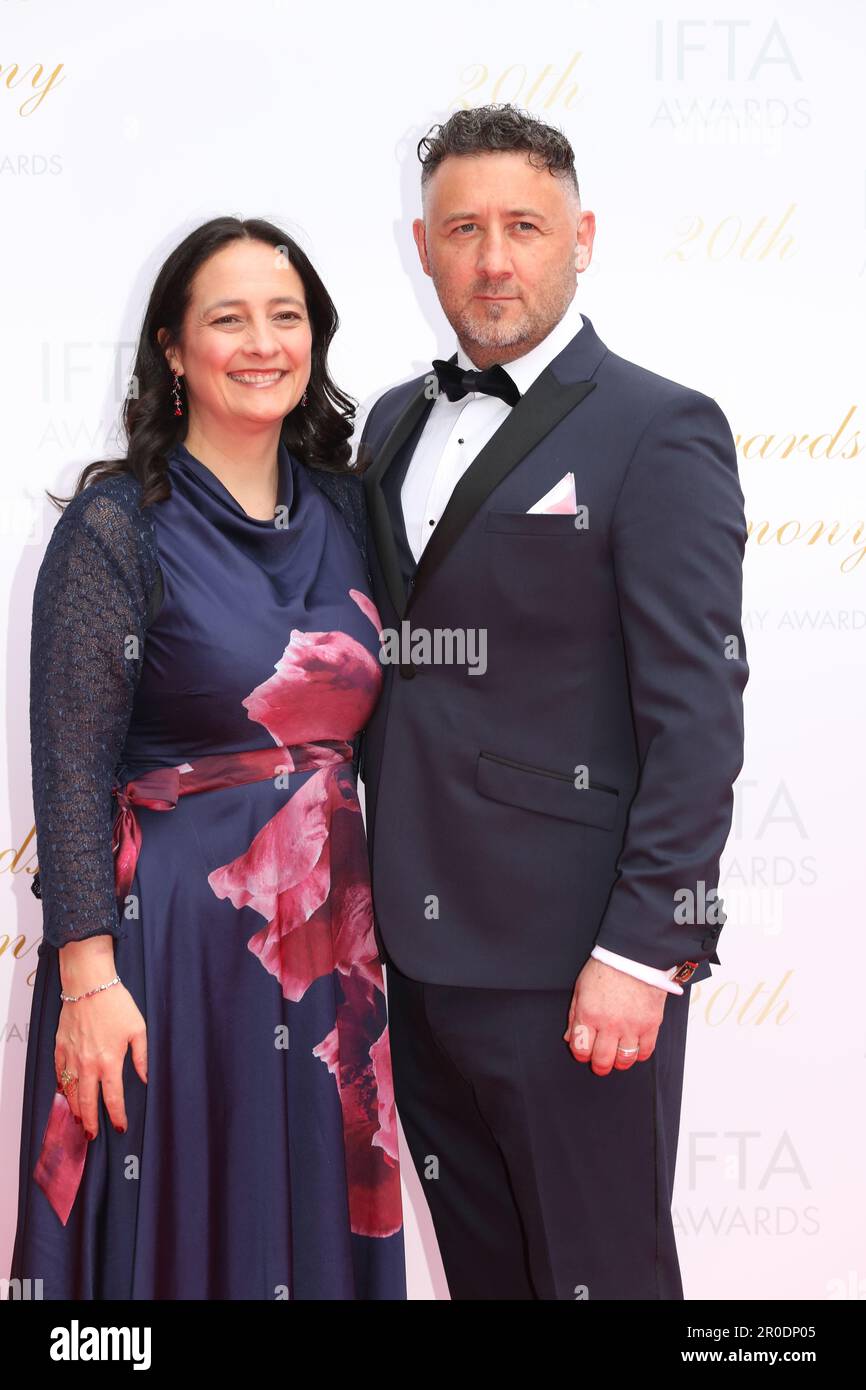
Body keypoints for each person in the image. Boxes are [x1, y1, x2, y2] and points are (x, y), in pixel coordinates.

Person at [355, 104, 748, 1300]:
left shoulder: (658, 427)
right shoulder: (389, 423)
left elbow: (698, 706)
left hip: (576, 961)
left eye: (521, 225)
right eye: (460, 227)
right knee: (488, 1277)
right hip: (416, 956)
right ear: (419, 248)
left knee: (601, 1278)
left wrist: (645, 947)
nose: (491, 258)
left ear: (580, 236)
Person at [10, 216, 405, 1300]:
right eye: (226, 318)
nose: (261, 341)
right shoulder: (113, 527)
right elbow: (72, 769)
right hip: (161, 948)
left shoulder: (350, 511)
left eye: (285, 316)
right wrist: (88, 975)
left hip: (328, 941)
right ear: (174, 351)